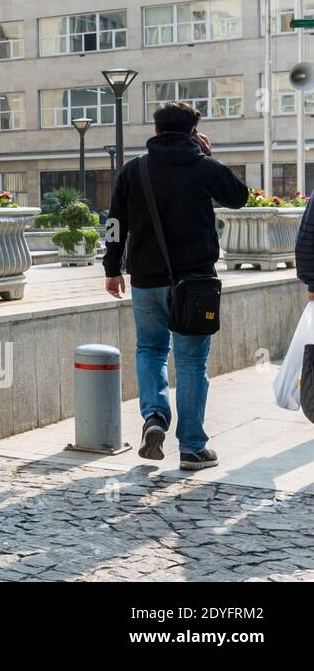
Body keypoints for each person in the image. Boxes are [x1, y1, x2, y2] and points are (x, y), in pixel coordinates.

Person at [102, 100, 248, 471]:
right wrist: (208, 156)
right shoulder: (203, 166)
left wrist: (112, 268)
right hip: (194, 284)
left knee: (150, 350)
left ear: (155, 130)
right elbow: (239, 197)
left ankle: (154, 418)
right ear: (193, 133)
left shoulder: (133, 170)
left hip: (147, 281)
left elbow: (115, 222)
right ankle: (193, 448)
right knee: (191, 363)